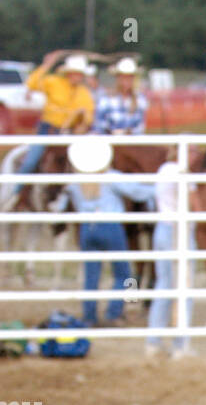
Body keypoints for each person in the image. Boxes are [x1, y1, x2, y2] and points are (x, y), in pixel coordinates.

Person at [62, 136, 155, 328]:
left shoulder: (75, 181)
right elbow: (138, 192)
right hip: (111, 226)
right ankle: (116, 312)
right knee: (124, 273)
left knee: (91, 275)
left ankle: (90, 316)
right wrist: (159, 187)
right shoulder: (111, 177)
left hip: (87, 228)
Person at [15, 51, 95, 197]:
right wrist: (47, 65)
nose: (76, 76)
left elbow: (89, 116)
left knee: (86, 164)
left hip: (71, 134)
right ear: (68, 73)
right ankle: (16, 195)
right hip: (49, 130)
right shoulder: (53, 82)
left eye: (79, 74)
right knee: (30, 162)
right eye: (74, 73)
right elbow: (32, 84)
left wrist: (84, 117)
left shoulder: (84, 92)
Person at [146, 150, 196, 359]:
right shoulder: (182, 172)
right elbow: (196, 206)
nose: (196, 155)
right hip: (179, 231)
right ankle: (180, 344)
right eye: (192, 150)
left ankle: (153, 342)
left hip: (163, 229)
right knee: (184, 288)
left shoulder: (163, 169)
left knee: (164, 285)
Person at [94, 57, 148, 136]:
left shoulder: (140, 99)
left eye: (129, 77)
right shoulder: (106, 99)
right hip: (110, 141)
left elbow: (140, 127)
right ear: (118, 78)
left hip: (133, 143)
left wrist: (128, 132)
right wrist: (112, 132)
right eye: (123, 77)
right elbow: (99, 125)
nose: (126, 80)